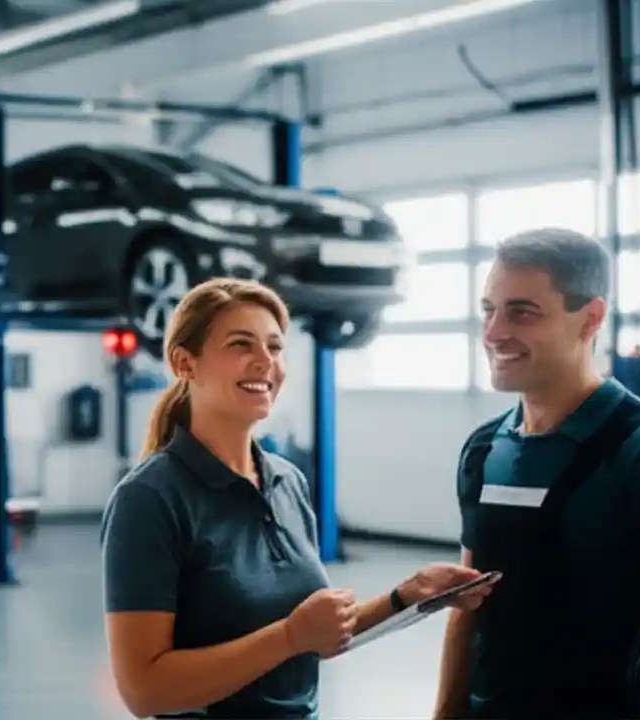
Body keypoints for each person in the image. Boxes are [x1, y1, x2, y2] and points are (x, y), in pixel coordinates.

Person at [100, 277, 493, 719]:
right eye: (240, 345)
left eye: (274, 347)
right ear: (184, 363)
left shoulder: (286, 481)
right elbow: (145, 691)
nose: (265, 362)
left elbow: (315, 634)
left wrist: (407, 596)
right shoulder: (149, 499)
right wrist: (289, 636)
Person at [435, 228, 640, 719]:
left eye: (522, 312)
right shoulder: (485, 450)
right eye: (488, 309)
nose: (493, 333)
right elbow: (467, 614)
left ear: (591, 318)